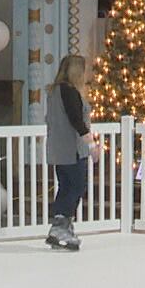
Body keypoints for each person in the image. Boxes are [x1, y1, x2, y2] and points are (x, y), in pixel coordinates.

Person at [43, 53, 96, 251]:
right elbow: (76, 120)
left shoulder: (54, 92)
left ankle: (62, 225)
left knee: (66, 186)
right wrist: (91, 145)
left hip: (59, 150)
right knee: (75, 186)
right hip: (72, 150)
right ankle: (60, 226)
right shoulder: (70, 92)